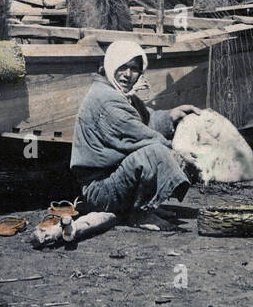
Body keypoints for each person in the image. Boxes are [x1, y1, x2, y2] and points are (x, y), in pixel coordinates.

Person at [69, 40, 200, 230]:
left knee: (155, 149)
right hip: (100, 192)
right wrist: (179, 153)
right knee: (155, 152)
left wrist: (171, 116)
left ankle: (143, 206)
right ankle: (139, 214)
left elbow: (146, 120)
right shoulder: (105, 99)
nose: (128, 74)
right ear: (111, 65)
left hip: (113, 181)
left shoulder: (117, 93)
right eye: (122, 67)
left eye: (134, 69)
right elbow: (141, 135)